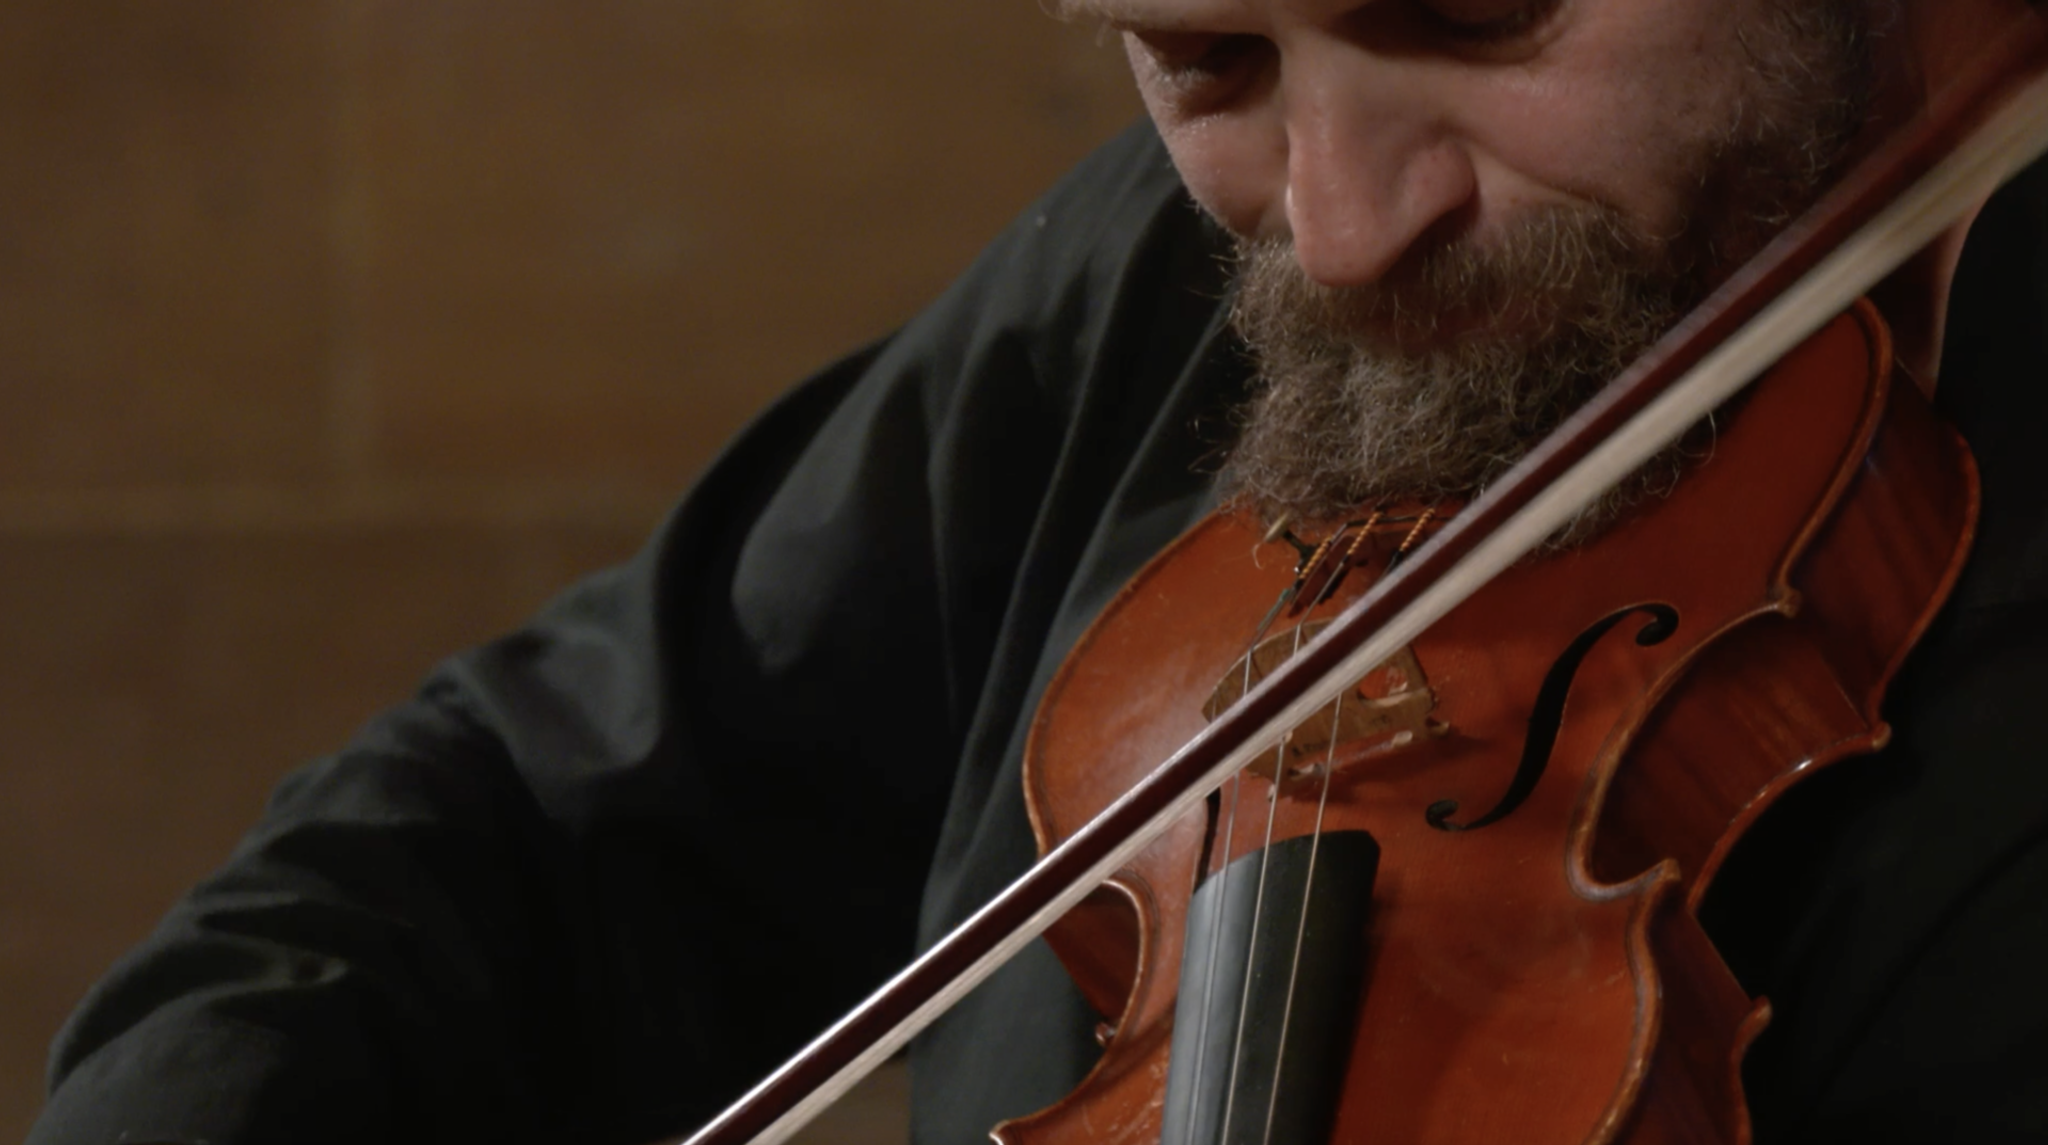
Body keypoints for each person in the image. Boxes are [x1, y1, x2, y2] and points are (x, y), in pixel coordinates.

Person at [29, 0, 2048, 1142]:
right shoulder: (1178, 298)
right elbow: (530, 827)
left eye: (1463, 13)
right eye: (1206, 58)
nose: (1340, 229)